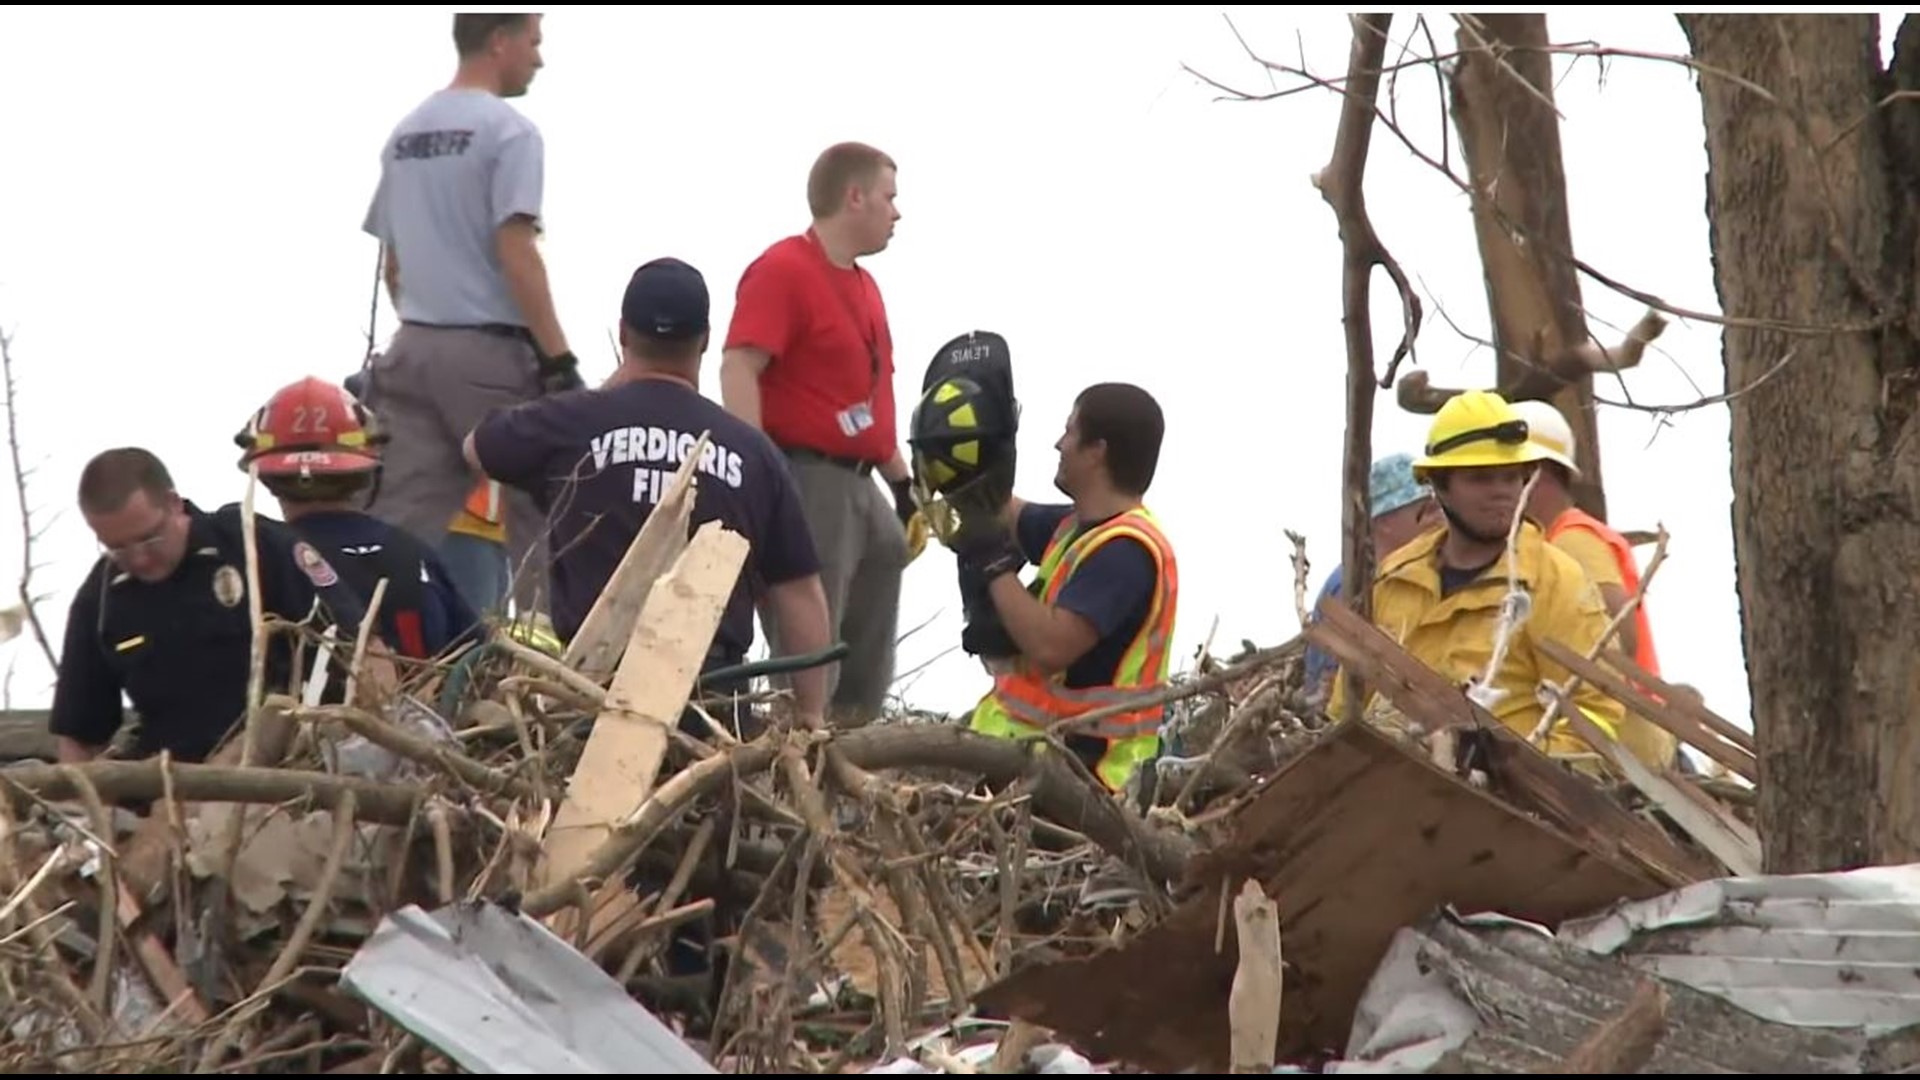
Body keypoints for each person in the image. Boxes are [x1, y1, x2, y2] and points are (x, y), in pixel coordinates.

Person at [465, 256, 835, 732]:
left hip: (590, 695)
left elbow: (476, 448)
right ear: (704, 340)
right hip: (712, 705)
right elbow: (799, 592)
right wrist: (810, 715)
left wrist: (607, 396)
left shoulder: (570, 423)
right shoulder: (753, 454)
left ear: (622, 333)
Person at [357, 12, 581, 618]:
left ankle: (364, 659)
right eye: (534, 42)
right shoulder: (510, 132)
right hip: (488, 357)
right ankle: (550, 673)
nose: (540, 59)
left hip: (410, 352)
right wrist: (560, 361)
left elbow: (394, 263)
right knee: (550, 513)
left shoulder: (404, 135)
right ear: (500, 41)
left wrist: (427, 319)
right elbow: (516, 251)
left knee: (394, 527)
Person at [1326, 390, 1664, 772]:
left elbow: (1597, 716)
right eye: (1481, 478)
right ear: (1439, 485)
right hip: (1395, 796)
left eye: (1511, 477)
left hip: (1514, 815)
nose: (1501, 492)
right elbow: (1348, 703)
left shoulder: (1556, 582)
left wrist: (1516, 771)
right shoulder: (1395, 578)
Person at [720, 141, 915, 729]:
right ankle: (797, 749)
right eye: (889, 197)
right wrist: (756, 467)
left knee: (884, 572)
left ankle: (854, 749)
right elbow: (739, 365)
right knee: (809, 639)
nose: (897, 212)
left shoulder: (865, 287)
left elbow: (866, 398)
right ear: (853, 197)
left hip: (862, 478)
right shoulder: (784, 269)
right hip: (806, 473)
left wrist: (902, 485)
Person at [48, 448, 373, 765]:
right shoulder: (102, 598)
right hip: (166, 787)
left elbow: (364, 651)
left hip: (279, 773)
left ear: (175, 505)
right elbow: (80, 737)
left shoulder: (254, 545)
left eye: (149, 539)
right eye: (117, 547)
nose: (139, 558)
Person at [945, 383, 1180, 798]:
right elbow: (1008, 512)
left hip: (1084, 784)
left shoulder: (1125, 552)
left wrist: (994, 567)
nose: (1059, 444)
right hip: (1034, 763)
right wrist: (970, 466)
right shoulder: (1076, 527)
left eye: (1070, 431)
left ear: (1097, 451)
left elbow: (1052, 645)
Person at [234, 376, 481, 661]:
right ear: (366, 470)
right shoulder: (417, 556)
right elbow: (479, 660)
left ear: (265, 476)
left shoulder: (256, 562)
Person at [1509, 397, 1677, 768]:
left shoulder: (1572, 540)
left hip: (1624, 739)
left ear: (1534, 472)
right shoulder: (1553, 541)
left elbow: (1618, 635)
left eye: (1506, 473)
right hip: (1623, 735)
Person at [1302, 452, 1440, 700]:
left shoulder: (1417, 574)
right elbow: (1326, 688)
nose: (1438, 516)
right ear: (1383, 521)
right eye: (1426, 509)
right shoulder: (1349, 583)